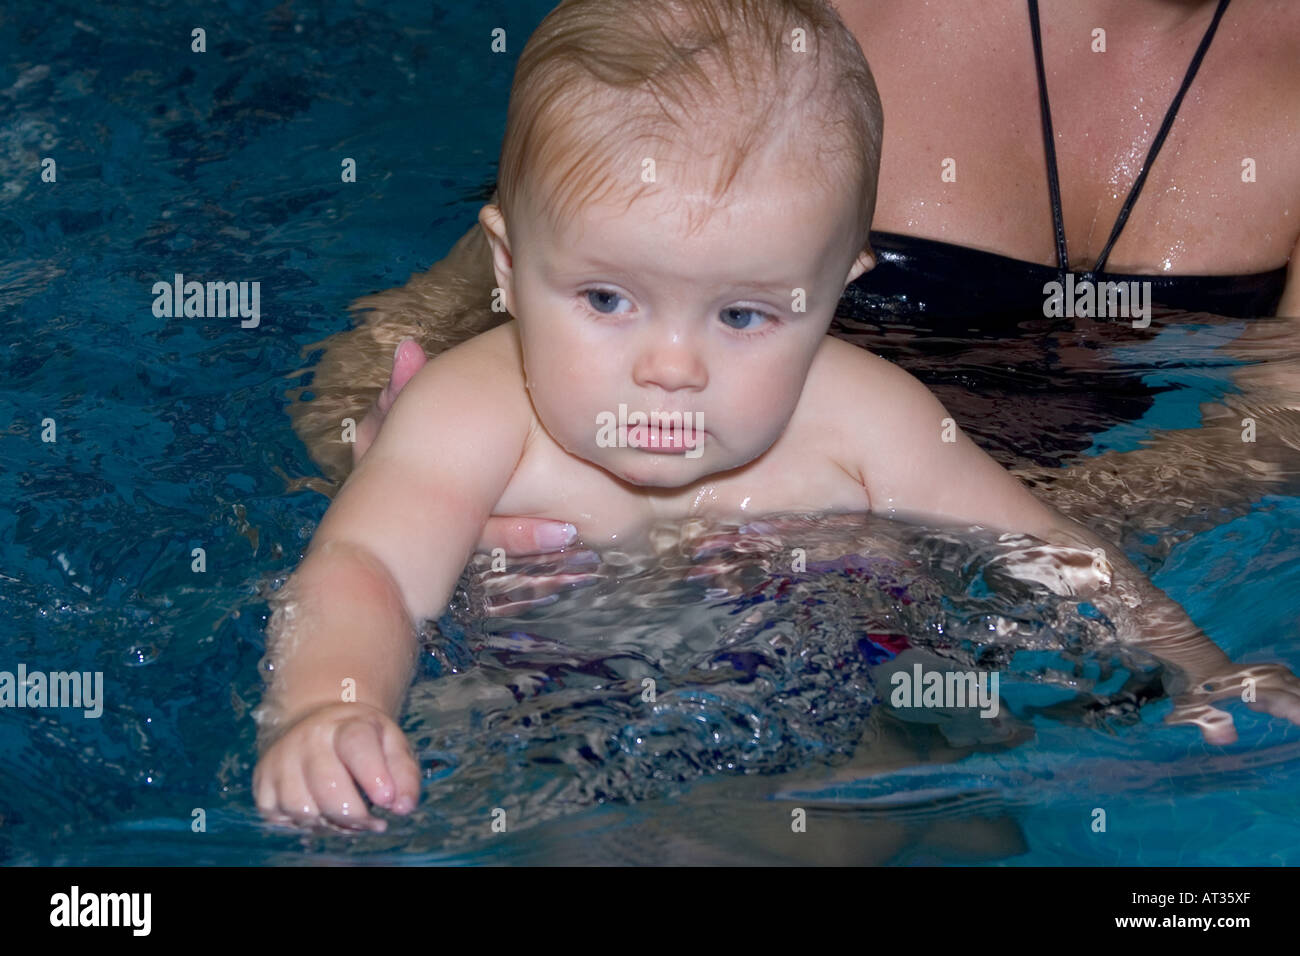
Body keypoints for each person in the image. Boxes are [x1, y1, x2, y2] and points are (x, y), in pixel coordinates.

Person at [257, 0, 1300, 832]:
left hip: (832, 705)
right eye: (606, 299)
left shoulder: (862, 413)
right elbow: (368, 571)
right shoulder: (476, 412)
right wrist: (329, 702)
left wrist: (1196, 660)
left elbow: (1048, 545)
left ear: (836, 291)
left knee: (946, 814)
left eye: (745, 313)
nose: (671, 366)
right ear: (509, 267)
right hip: (539, 722)